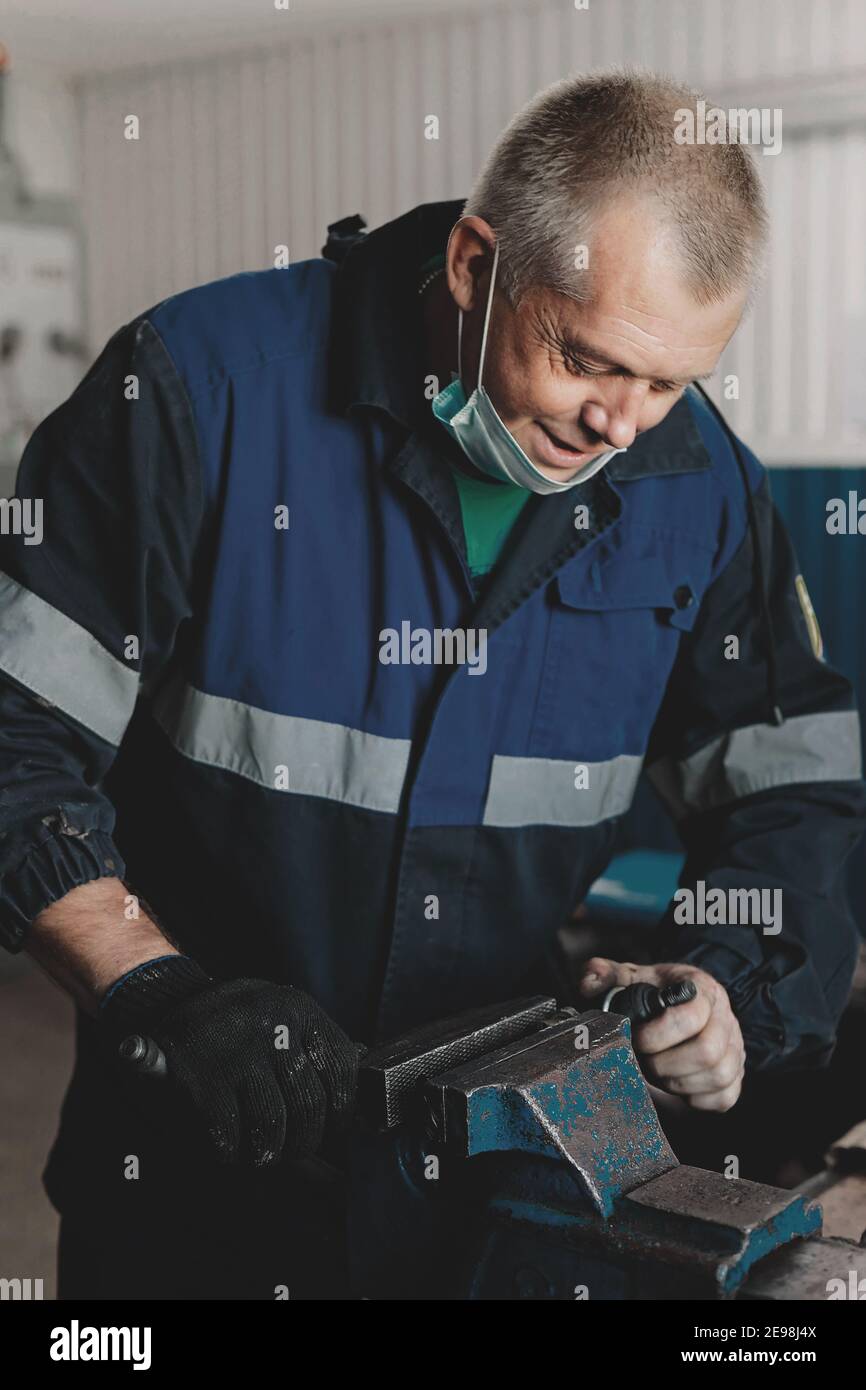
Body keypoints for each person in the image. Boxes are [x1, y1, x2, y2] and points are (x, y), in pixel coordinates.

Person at [1, 70, 863, 1299]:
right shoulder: (200, 393)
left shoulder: (695, 487)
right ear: (472, 264)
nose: (622, 426)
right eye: (587, 359)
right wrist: (156, 983)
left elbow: (791, 779)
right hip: (191, 1185)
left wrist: (733, 987)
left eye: (669, 383)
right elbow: (15, 732)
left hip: (496, 1205)